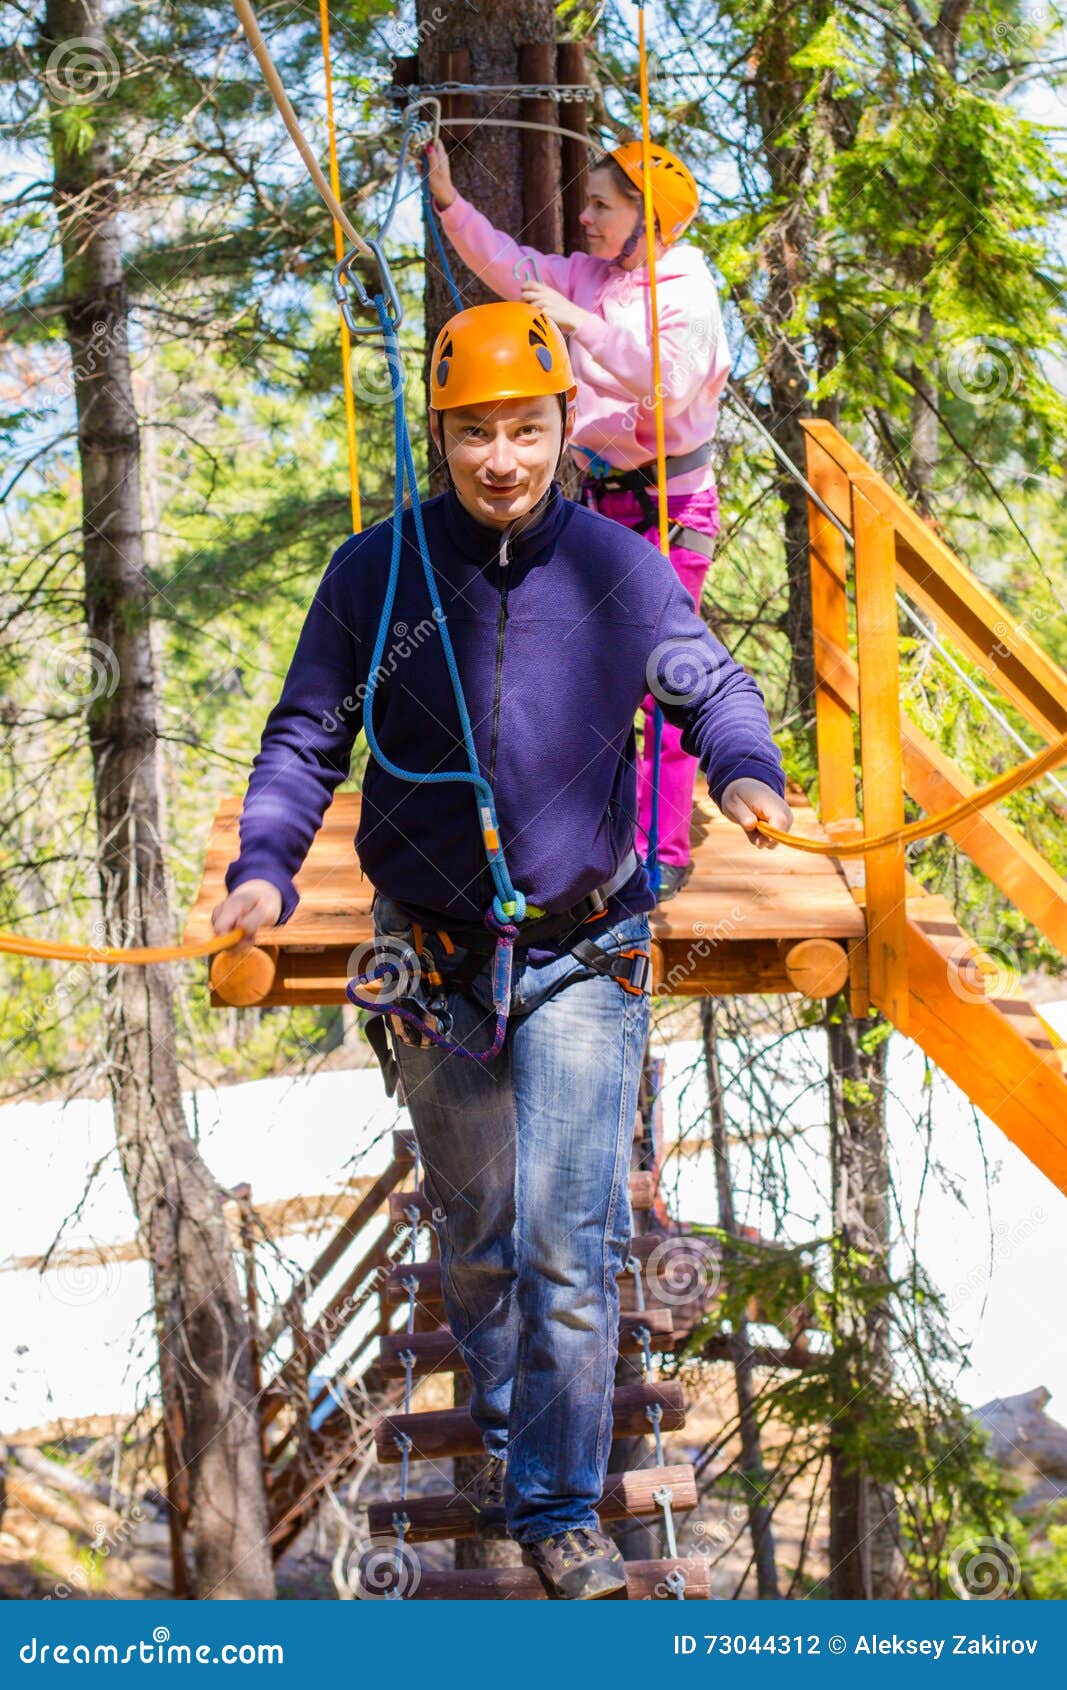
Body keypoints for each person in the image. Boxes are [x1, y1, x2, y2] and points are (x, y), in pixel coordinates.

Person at [212, 302, 792, 1599]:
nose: (499, 459)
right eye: (473, 434)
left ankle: (553, 1509)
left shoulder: (613, 568)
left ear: (557, 433)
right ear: (442, 437)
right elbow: (306, 734)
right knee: (477, 1233)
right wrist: (261, 865)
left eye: (523, 431)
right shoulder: (379, 576)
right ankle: (499, 1425)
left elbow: (708, 682)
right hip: (428, 953)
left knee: (565, 1242)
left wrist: (742, 770)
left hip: (586, 943)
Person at [424, 136, 730, 901]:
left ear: (648, 221)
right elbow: (509, 265)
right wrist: (449, 205)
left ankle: (658, 852)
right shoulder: (591, 275)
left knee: (666, 678)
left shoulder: (687, 289)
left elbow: (660, 376)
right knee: (589, 677)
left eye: (602, 206)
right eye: (587, 203)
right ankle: (591, 834)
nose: (584, 218)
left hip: (670, 506)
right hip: (601, 505)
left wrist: (577, 322)